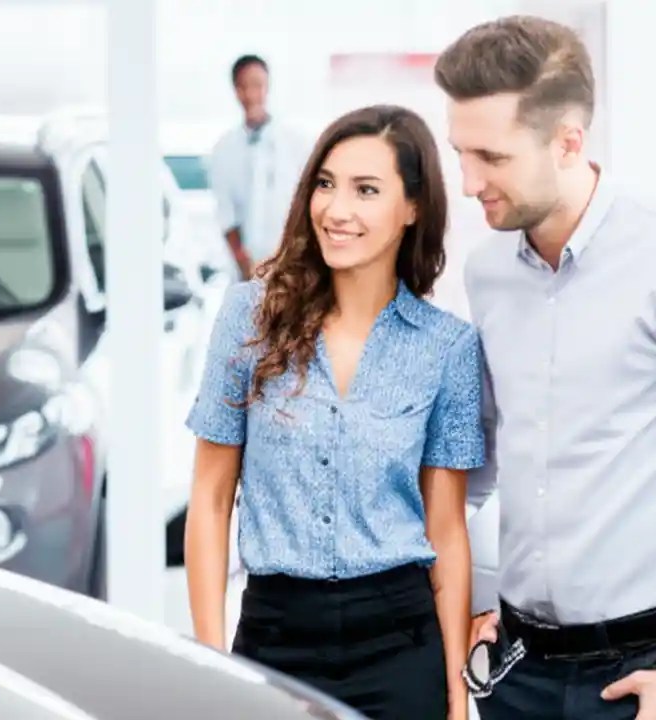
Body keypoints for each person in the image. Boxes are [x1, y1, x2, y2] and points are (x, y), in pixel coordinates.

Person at [435, 15, 656, 720]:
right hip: (517, 673)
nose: (467, 182)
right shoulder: (488, 274)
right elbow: (483, 466)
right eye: (461, 153)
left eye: (490, 157)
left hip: (651, 678)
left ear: (568, 142)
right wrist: (469, 601)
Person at [184, 104, 484, 720]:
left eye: (366, 190)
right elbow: (211, 500)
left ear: (413, 208)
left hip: (400, 646)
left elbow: (447, 529)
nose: (336, 209)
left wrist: (456, 696)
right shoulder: (248, 317)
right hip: (274, 639)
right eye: (325, 184)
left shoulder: (446, 347)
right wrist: (207, 667)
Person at [208, 54, 314, 280]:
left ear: (268, 86)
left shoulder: (296, 142)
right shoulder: (223, 150)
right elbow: (226, 216)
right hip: (248, 269)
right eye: (243, 86)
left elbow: (308, 201)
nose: (251, 94)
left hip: (292, 262)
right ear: (235, 90)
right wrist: (246, 266)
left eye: (257, 85)